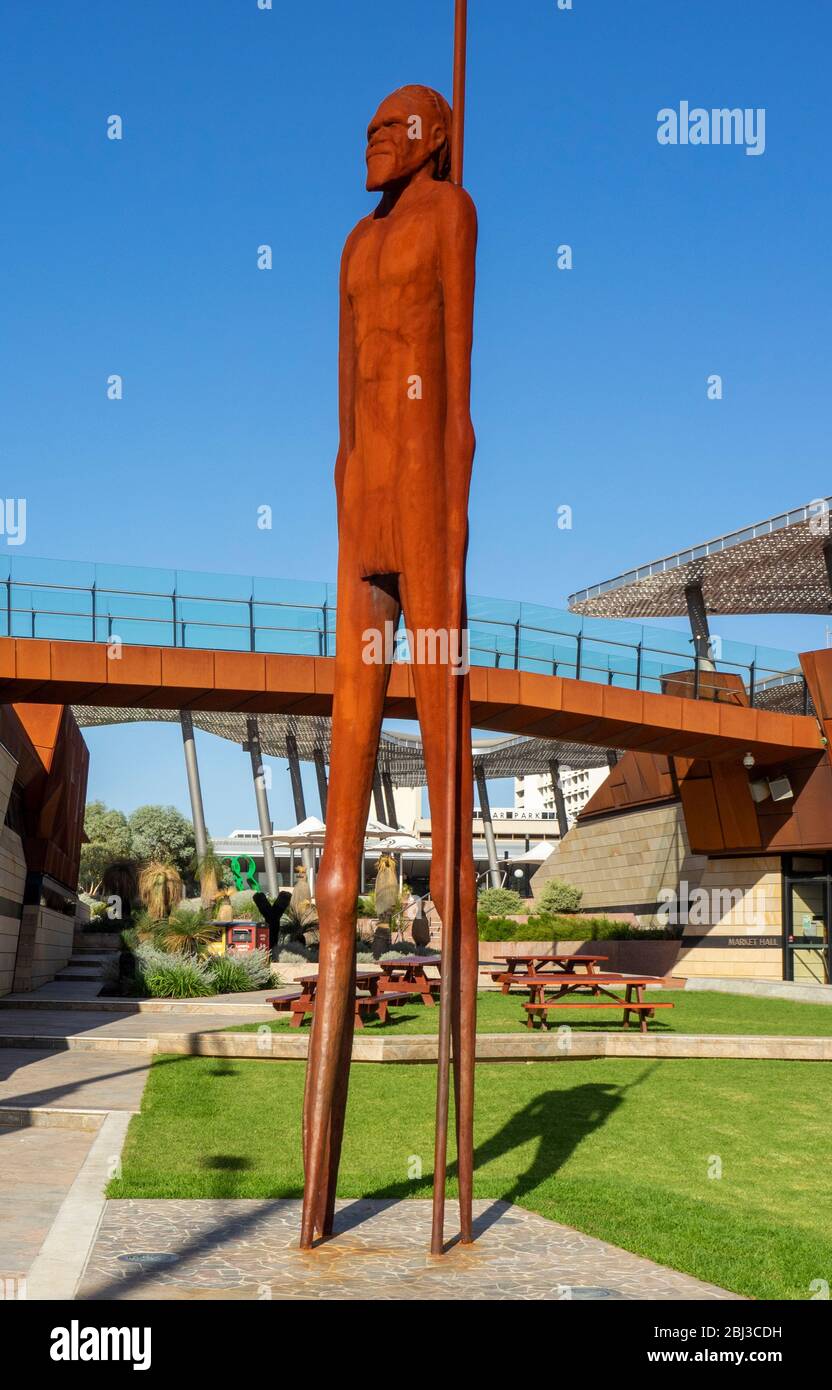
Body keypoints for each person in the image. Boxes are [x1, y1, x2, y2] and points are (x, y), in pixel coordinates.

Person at [300, 85, 478, 1250]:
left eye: (390, 128)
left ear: (430, 139)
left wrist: (449, 521)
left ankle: (457, 909)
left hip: (421, 503)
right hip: (359, 504)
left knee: (445, 753)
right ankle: (314, 1201)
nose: (370, 142)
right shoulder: (356, 241)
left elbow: (453, 388)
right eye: (362, 126)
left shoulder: (450, 217)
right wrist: (340, 482)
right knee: (343, 775)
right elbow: (341, 388)